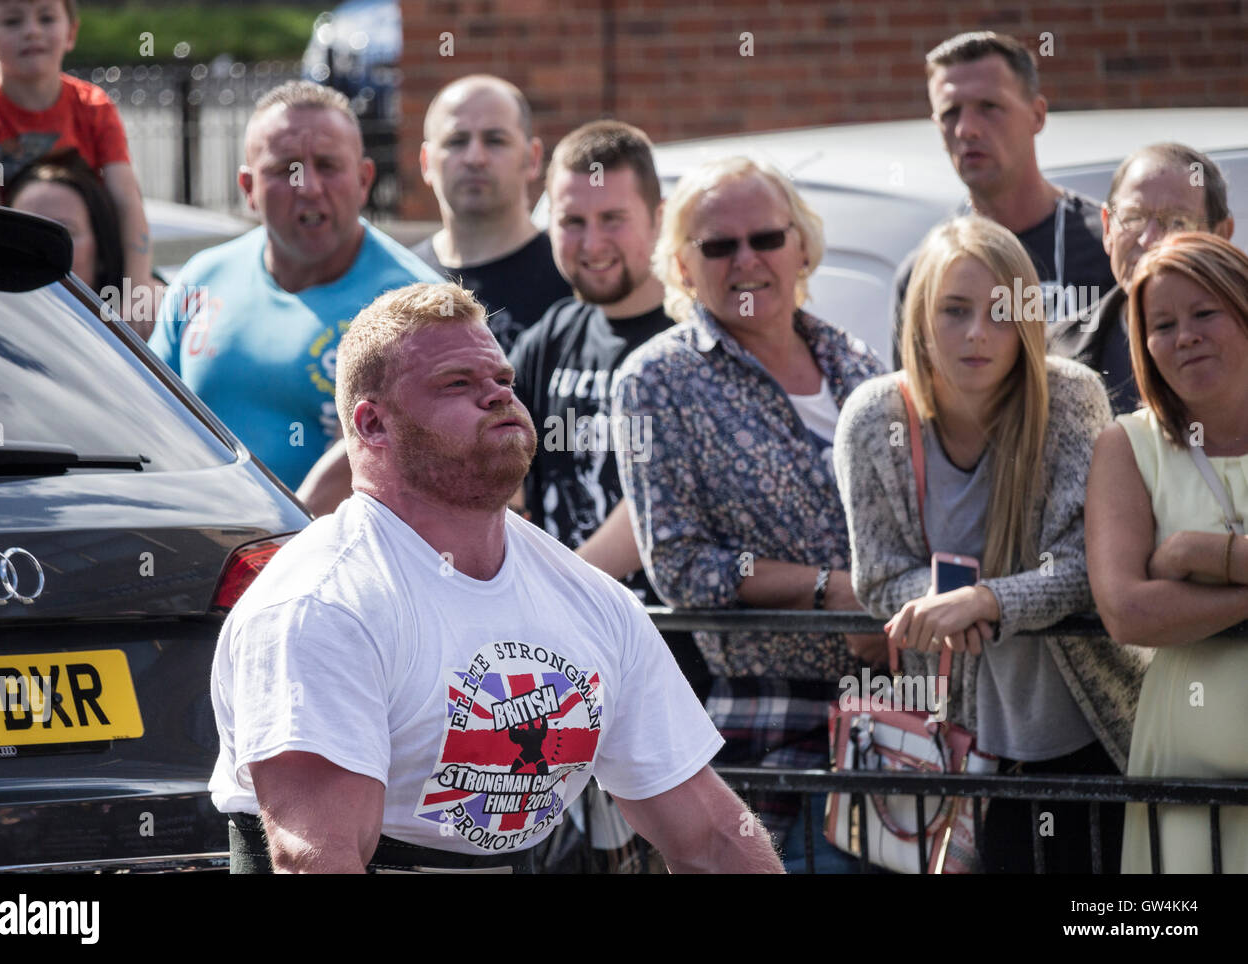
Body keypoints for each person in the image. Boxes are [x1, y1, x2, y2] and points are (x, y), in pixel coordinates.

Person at [208, 280, 783, 874]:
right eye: (458, 383)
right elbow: (315, 860)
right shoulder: (323, 605)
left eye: (504, 381)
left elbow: (712, 838)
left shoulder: (592, 602)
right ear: (373, 424)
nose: (498, 397)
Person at [834, 214, 1147, 874]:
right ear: (919, 317)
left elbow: (1084, 568)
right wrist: (951, 602)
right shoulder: (873, 418)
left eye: (1001, 312)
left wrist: (984, 601)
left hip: (1084, 735)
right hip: (954, 741)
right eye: (955, 310)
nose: (978, 333)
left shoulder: (1069, 396)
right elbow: (881, 576)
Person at [612, 156, 885, 872]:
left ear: (801, 246)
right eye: (717, 245)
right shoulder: (657, 379)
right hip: (771, 729)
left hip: (900, 716)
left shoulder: (860, 364)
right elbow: (678, 566)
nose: (745, 261)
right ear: (681, 263)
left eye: (765, 238)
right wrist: (830, 592)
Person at [148, 80, 439, 515]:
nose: (309, 187)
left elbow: (417, 456)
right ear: (248, 188)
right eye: (286, 169)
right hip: (203, 552)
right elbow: (152, 419)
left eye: (327, 165)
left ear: (364, 180)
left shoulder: (415, 303)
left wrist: (280, 548)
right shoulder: (201, 280)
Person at [509, 119, 709, 700]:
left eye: (612, 219)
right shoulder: (551, 338)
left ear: (660, 218)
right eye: (572, 222)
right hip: (558, 668)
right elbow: (496, 467)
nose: (591, 244)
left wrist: (548, 591)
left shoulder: (693, 338)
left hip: (670, 666)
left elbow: (659, 497)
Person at [1085, 232, 1248, 874]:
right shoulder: (1126, 446)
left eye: (1204, 313)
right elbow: (1127, 611)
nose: (1184, 336)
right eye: (1161, 324)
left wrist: (1199, 554)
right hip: (1186, 781)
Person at [891, 31, 1114, 364]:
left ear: (1037, 115)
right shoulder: (925, 270)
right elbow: (918, 406)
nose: (967, 129)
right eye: (951, 113)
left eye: (989, 107)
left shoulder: (1110, 245)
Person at [0, 0, 154, 337]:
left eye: (46, 17)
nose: (32, 30)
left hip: (97, 277)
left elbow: (127, 200)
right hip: (18, 284)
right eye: (12, 21)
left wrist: (137, 288)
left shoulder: (94, 108)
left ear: (71, 32)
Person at [1050, 143, 1235, 415]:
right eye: (1133, 218)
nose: (1149, 241)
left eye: (1177, 222)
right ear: (1107, 228)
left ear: (1220, 234)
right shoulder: (1057, 356)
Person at [411, 75, 571, 354]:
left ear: (532, 158)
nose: (475, 158)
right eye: (457, 141)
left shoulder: (572, 276)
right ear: (426, 162)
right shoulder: (400, 278)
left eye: (495, 140)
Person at [5, 147, 122, 299]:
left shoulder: (152, 314)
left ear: (101, 253)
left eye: (63, 232)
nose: (42, 248)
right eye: (25, 233)